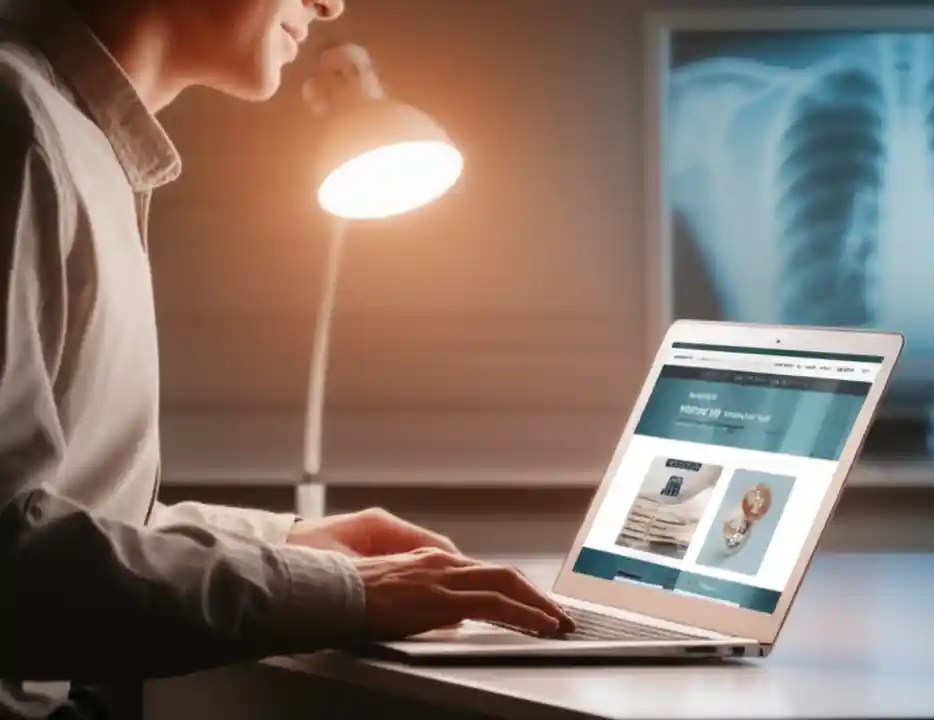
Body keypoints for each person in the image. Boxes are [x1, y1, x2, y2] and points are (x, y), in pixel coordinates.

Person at [0, 0, 573, 716]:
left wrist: (295, 544)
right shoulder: (18, 128)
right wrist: (347, 593)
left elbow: (69, 520)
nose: (330, 4)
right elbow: (12, 563)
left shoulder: (75, 138)